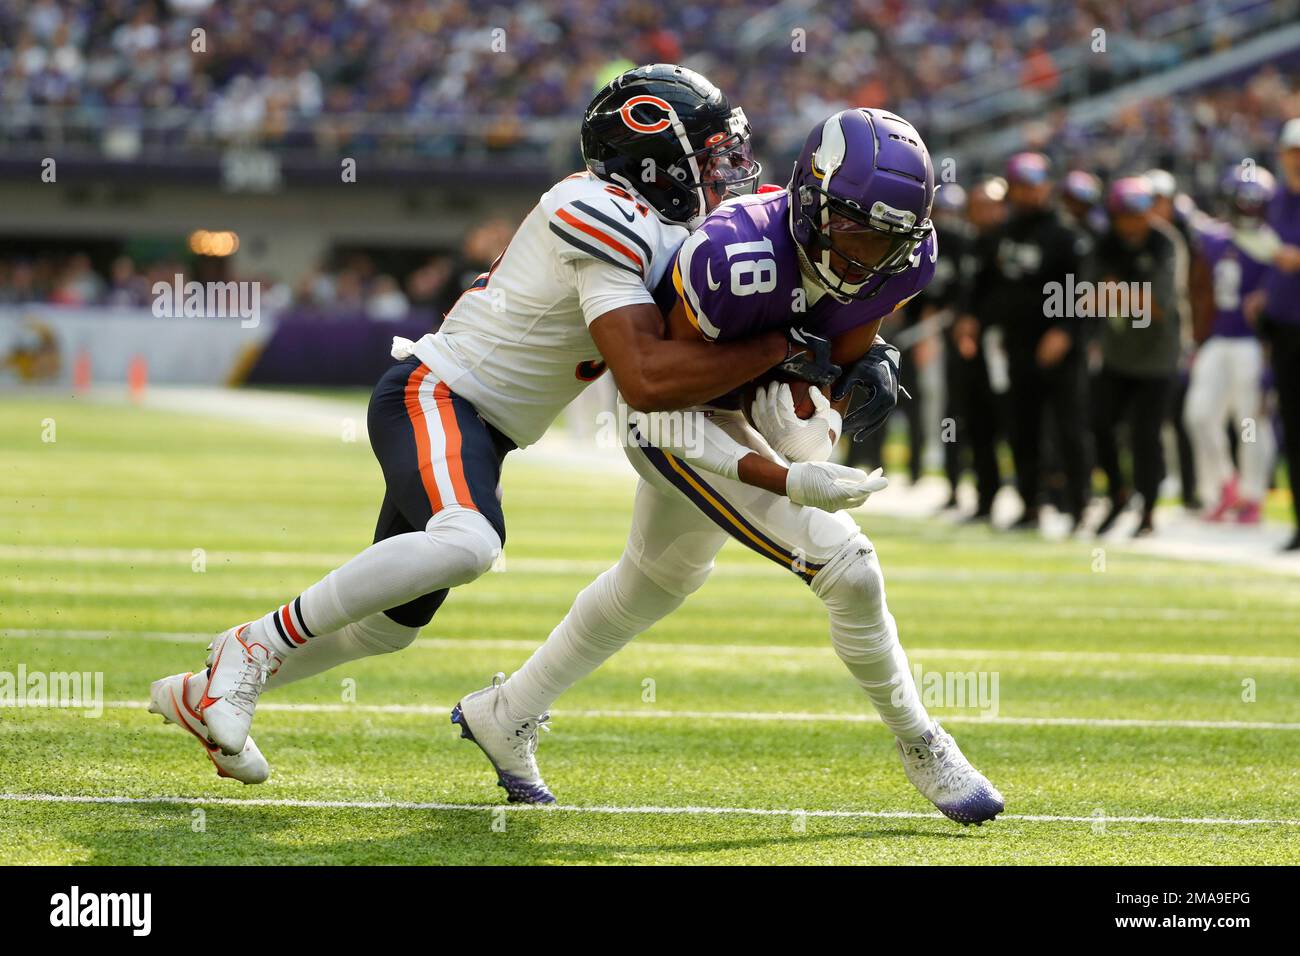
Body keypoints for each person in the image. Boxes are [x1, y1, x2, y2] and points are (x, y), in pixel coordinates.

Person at [144, 64, 871, 782]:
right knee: (467, 542)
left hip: (483, 430)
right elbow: (647, 377)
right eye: (711, 154)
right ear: (656, 161)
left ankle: (197, 693)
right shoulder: (596, 209)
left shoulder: (677, 227)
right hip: (436, 395)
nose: (729, 169)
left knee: (386, 627)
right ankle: (253, 644)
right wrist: (780, 345)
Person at [453, 109, 1005, 825]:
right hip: (673, 422)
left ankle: (507, 711)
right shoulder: (734, 256)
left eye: (888, 239)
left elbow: (832, 354)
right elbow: (656, 402)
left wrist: (828, 399)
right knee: (849, 567)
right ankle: (921, 740)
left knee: (652, 583)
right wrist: (783, 473)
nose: (868, 256)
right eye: (857, 231)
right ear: (812, 198)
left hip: (736, 408)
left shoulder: (906, 257)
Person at [966, 153, 1090, 532]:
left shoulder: (1067, 235)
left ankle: (1079, 507)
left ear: (1047, 187)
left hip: (1060, 349)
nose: (1027, 193)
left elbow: (1084, 291)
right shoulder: (1003, 234)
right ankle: (1030, 505)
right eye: (1020, 186)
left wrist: (1065, 331)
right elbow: (985, 286)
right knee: (1022, 428)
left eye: (1033, 185)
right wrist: (973, 320)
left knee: (1070, 428)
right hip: (1016, 347)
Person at [1091, 177, 1188, 537]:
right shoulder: (1105, 244)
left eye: (1139, 214)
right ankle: (1117, 493)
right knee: (1099, 422)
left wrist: (1117, 293)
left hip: (1157, 356)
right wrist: (1125, 296)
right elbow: (1085, 298)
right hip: (1117, 354)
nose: (1133, 223)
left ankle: (1148, 509)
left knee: (1145, 435)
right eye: (1126, 215)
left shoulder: (1166, 243)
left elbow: (1160, 305)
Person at [1184, 166, 1279, 523]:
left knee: (1250, 422)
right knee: (1199, 415)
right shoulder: (1214, 240)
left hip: (1253, 345)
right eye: (1243, 202)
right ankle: (1224, 485)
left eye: (1254, 203)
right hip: (1218, 339)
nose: (1248, 210)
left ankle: (1253, 495)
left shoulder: (1273, 244)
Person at [1249, 118, 1300, 551]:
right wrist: (1262, 295)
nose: (1296, 160)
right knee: (1293, 427)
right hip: (1283, 329)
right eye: (1292, 152)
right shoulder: (1276, 202)